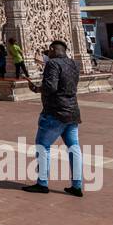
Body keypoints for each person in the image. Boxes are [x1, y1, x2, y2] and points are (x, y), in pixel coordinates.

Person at [22, 40, 84, 197]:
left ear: (52, 50)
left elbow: (51, 87)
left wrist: (36, 89)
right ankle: (77, 185)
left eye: (47, 51)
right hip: (72, 111)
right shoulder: (73, 63)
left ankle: (42, 183)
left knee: (43, 146)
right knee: (74, 147)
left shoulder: (53, 64)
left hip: (55, 112)